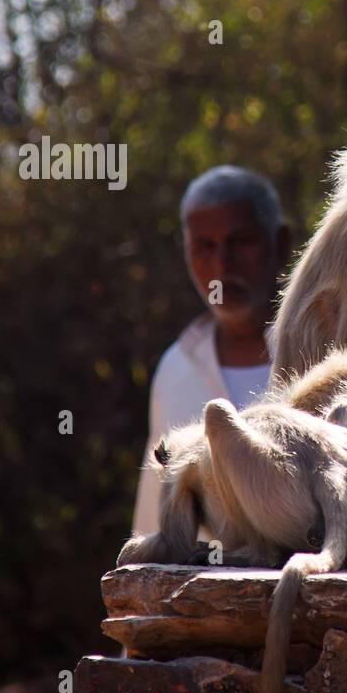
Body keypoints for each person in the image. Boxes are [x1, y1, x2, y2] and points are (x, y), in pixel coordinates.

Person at [132, 166, 292, 535]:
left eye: (242, 242)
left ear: (281, 244)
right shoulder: (176, 369)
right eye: (205, 246)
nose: (223, 264)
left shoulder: (324, 349)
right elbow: (157, 513)